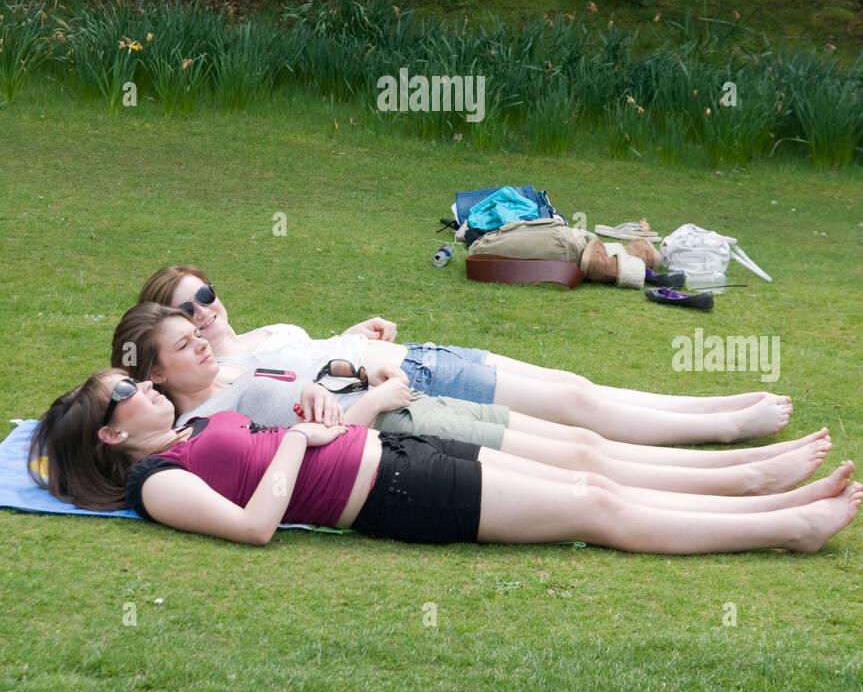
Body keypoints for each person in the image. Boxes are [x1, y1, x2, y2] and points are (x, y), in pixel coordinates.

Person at [30, 365, 860, 554]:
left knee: (590, 478)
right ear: (109, 433)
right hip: (395, 494)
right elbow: (254, 527)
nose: (144, 386)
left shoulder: (185, 436)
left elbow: (295, 455)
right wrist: (292, 439)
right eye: (126, 390)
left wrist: (344, 414)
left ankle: (752, 484)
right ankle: (782, 524)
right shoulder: (154, 482)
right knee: (590, 509)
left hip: (395, 449)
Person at [112, 303, 836, 494]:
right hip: (401, 425)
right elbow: (299, 444)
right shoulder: (212, 420)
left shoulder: (239, 370)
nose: (203, 335)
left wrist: (354, 365)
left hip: (404, 389)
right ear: (154, 375)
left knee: (580, 423)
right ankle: (734, 467)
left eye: (200, 318)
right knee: (582, 455)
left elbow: (315, 380)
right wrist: (374, 394)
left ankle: (721, 438)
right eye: (183, 340)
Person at [135, 264, 795, 447]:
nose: (205, 311)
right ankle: (721, 427)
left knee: (573, 385)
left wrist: (349, 332)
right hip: (407, 385)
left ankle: (710, 407)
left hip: (418, 355)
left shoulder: (262, 336)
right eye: (187, 311)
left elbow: (309, 357)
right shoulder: (224, 377)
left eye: (207, 294)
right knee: (571, 407)